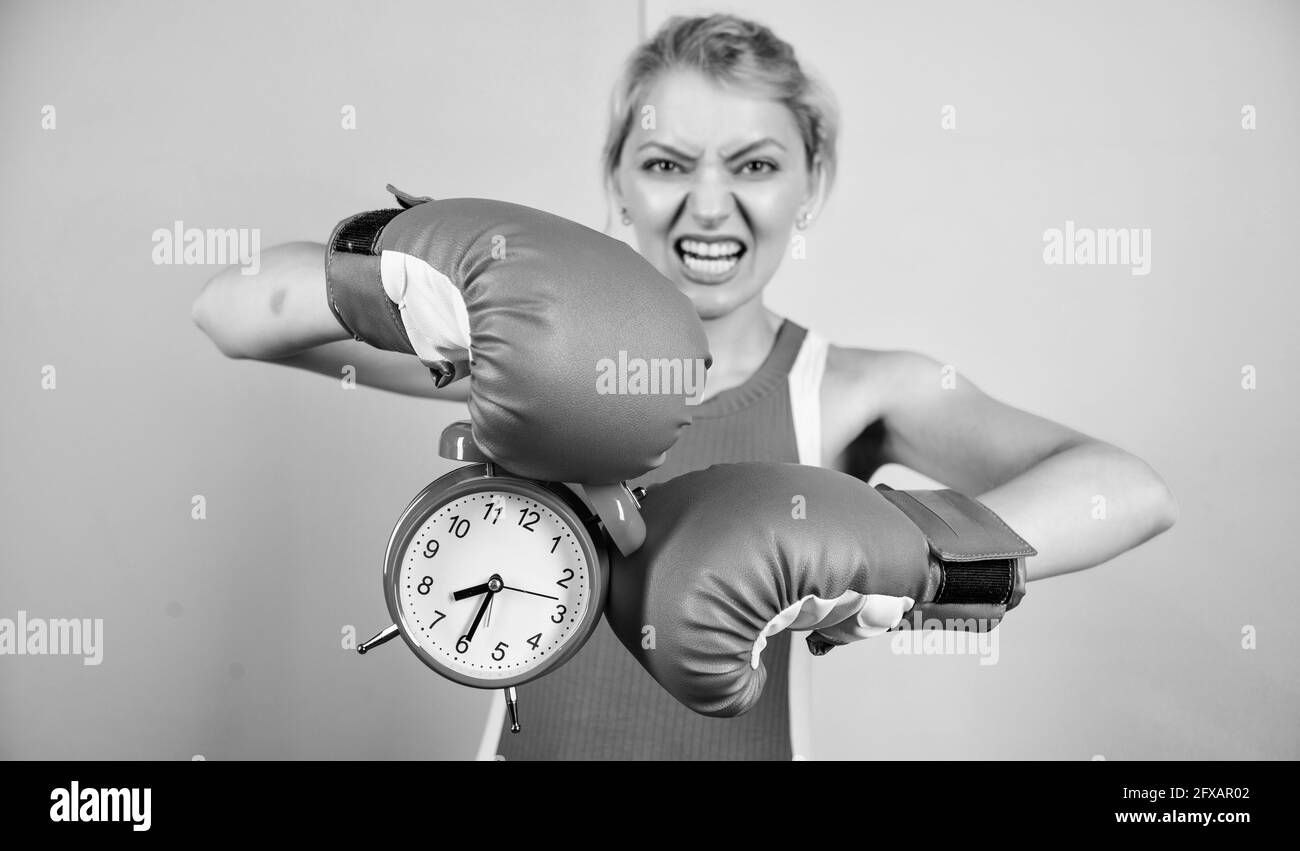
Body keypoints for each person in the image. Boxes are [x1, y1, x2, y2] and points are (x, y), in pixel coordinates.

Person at [192, 13, 1177, 761]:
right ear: (615, 182)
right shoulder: (516, 359)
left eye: (754, 163)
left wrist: (904, 560)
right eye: (666, 162)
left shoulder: (852, 390)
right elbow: (234, 310)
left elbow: (1128, 488)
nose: (709, 204)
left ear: (810, 185)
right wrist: (413, 253)